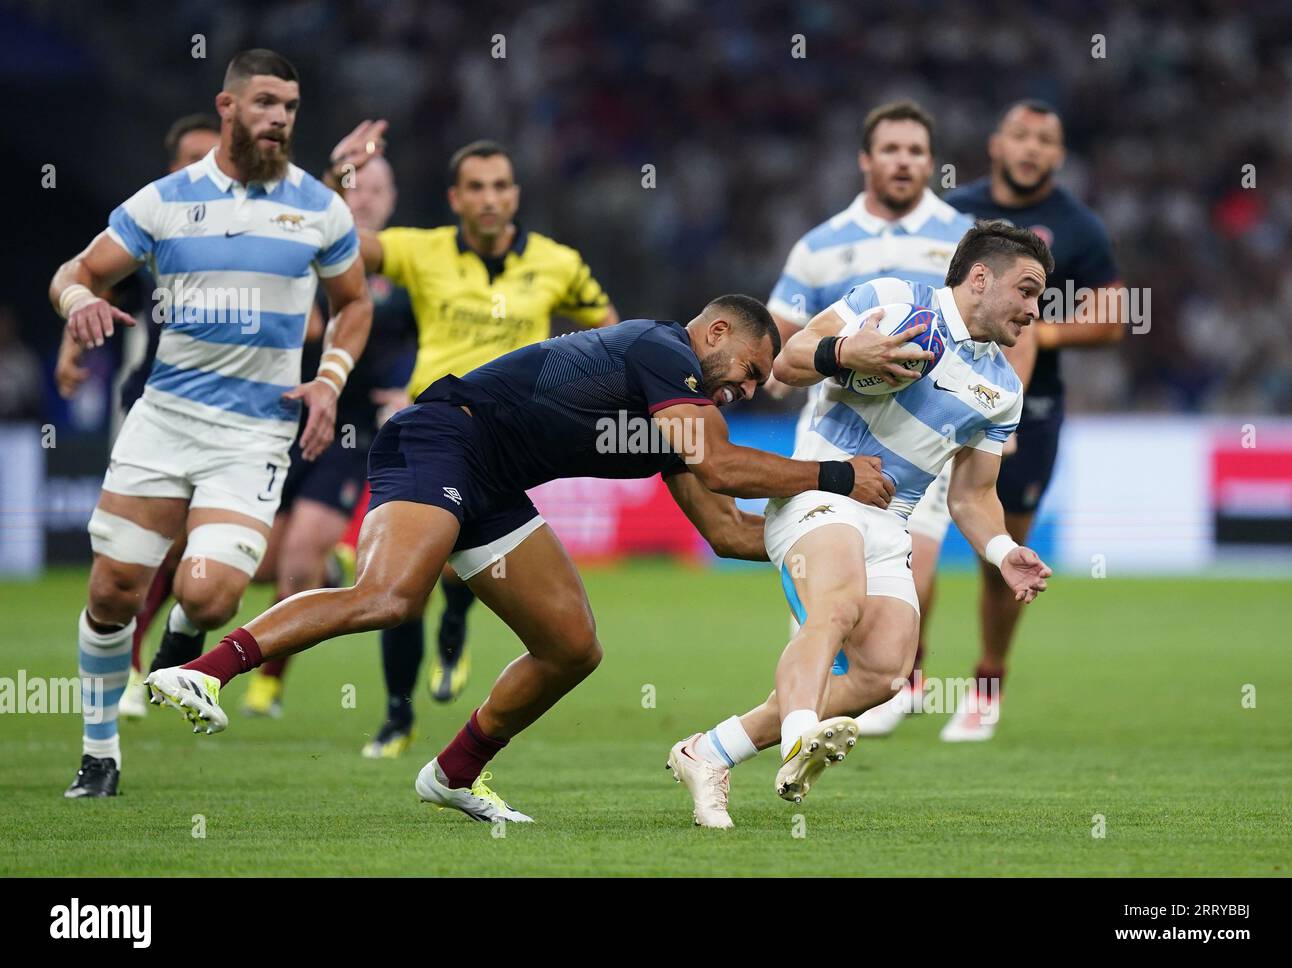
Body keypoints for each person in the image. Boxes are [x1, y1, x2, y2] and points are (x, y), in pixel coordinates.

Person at [145, 295, 924, 823]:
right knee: (388, 597)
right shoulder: (662, 349)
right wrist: (833, 476)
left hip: (492, 484)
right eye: (751, 371)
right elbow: (721, 467)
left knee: (570, 646)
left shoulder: (676, 416)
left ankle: (451, 775)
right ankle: (204, 670)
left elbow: (729, 531)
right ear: (714, 334)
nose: (751, 388)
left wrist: (827, 535)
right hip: (441, 436)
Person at [52, 49, 372, 797]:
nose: (280, 119)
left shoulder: (318, 209)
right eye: (265, 103)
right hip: (163, 421)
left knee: (210, 595)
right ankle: (100, 756)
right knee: (110, 592)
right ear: (226, 107)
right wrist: (79, 305)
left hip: (253, 432)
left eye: (290, 107)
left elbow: (353, 303)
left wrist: (328, 381)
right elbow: (74, 272)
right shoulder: (164, 201)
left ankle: (181, 648)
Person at [669, 222, 1054, 828]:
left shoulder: (1003, 389)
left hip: (890, 519)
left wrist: (1004, 549)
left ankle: (710, 751)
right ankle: (801, 737)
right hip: (818, 488)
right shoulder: (893, 301)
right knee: (838, 605)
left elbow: (974, 496)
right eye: (1028, 291)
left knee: (883, 671)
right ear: (980, 277)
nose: (1037, 310)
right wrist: (845, 353)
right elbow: (787, 364)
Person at [320, 132, 618, 758]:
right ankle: (398, 715)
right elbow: (335, 241)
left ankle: (455, 620)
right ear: (455, 197)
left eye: (501, 186)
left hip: (511, 440)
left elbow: (611, 335)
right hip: (431, 430)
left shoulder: (558, 263)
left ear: (516, 194)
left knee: (455, 566)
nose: (489, 199)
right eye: (476, 188)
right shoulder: (418, 250)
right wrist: (339, 176)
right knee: (403, 586)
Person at [903, 100, 1125, 742]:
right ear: (996, 143)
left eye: (1046, 140)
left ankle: (986, 682)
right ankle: (907, 674)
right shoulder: (948, 212)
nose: (1031, 148)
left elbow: (1112, 318)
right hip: (934, 395)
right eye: (1020, 136)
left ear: (1059, 155)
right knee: (909, 541)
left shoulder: (1079, 228)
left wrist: (1033, 334)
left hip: (1029, 409)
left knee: (999, 550)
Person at [764, 101, 976, 728]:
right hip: (834, 428)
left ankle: (888, 672)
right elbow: (781, 334)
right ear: (866, 159)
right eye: (891, 149)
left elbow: (1005, 332)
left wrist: (999, 414)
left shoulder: (963, 239)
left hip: (930, 432)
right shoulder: (820, 246)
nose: (903, 161)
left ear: (931, 163)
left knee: (919, 559)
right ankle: (821, 686)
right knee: (825, 572)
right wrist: (770, 373)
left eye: (915, 150)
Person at [55, 112, 223, 720]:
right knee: (143, 550)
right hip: (149, 403)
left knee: (205, 559)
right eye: (190, 160)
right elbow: (96, 285)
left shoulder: (252, 234)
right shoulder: (153, 230)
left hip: (234, 416)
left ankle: (176, 644)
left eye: (212, 157)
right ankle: (133, 670)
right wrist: (71, 347)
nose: (201, 170)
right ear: (171, 167)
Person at [241, 154, 418, 719]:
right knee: (253, 565)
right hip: (277, 420)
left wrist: (413, 390)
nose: (363, 197)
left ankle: (267, 683)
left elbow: (431, 340)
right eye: (352, 186)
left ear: (392, 199)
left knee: (297, 560)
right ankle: (332, 567)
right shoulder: (305, 254)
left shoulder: (411, 270)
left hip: (349, 432)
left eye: (376, 188)